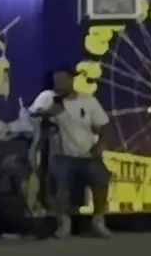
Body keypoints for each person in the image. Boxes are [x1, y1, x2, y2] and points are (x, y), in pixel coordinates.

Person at [31, 66, 114, 236]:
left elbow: (104, 125)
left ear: (72, 80)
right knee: (61, 187)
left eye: (62, 81)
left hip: (87, 153)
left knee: (101, 181)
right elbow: (32, 114)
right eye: (56, 82)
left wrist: (100, 145)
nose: (58, 85)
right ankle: (64, 223)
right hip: (61, 155)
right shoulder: (47, 98)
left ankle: (98, 220)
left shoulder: (88, 101)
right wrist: (48, 113)